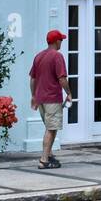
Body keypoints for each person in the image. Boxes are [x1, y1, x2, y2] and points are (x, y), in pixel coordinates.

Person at [29, 30, 73, 170]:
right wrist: (69, 93)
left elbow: (33, 79)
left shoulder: (39, 56)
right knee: (51, 128)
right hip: (52, 98)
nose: (62, 42)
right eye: (61, 40)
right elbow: (62, 78)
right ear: (56, 41)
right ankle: (44, 160)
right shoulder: (57, 56)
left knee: (50, 127)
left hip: (41, 99)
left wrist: (34, 96)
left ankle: (48, 155)